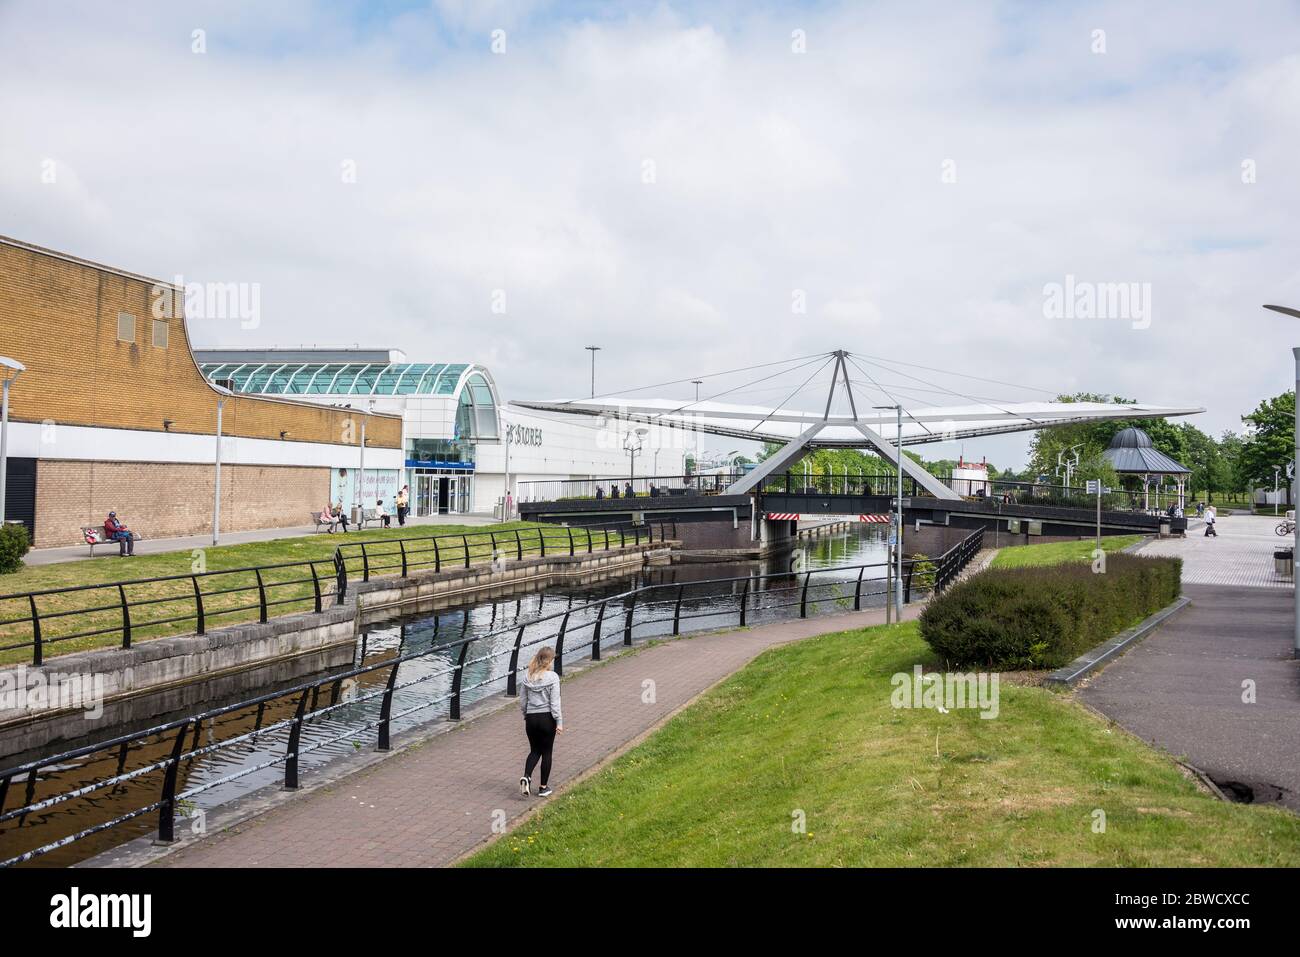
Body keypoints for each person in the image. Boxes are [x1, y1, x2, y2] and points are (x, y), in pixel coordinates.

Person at [518, 646, 562, 798]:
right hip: (546, 718)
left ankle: (527, 776)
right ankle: (543, 787)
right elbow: (555, 702)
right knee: (547, 752)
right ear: (549, 661)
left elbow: (523, 701)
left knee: (534, 750)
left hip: (531, 718)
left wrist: (526, 715)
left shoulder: (527, 677)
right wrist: (559, 721)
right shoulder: (553, 677)